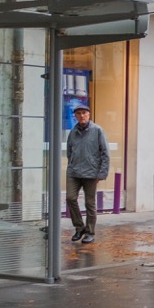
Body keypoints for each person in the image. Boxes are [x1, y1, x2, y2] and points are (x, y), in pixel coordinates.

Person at [66, 104, 109, 244]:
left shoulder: (97, 130)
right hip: (74, 172)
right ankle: (79, 228)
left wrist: (101, 173)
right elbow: (69, 152)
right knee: (70, 198)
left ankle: (90, 232)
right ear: (75, 116)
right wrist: (71, 164)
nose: (81, 116)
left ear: (89, 115)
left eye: (84, 113)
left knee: (90, 204)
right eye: (78, 113)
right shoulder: (73, 132)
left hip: (91, 173)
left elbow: (105, 153)